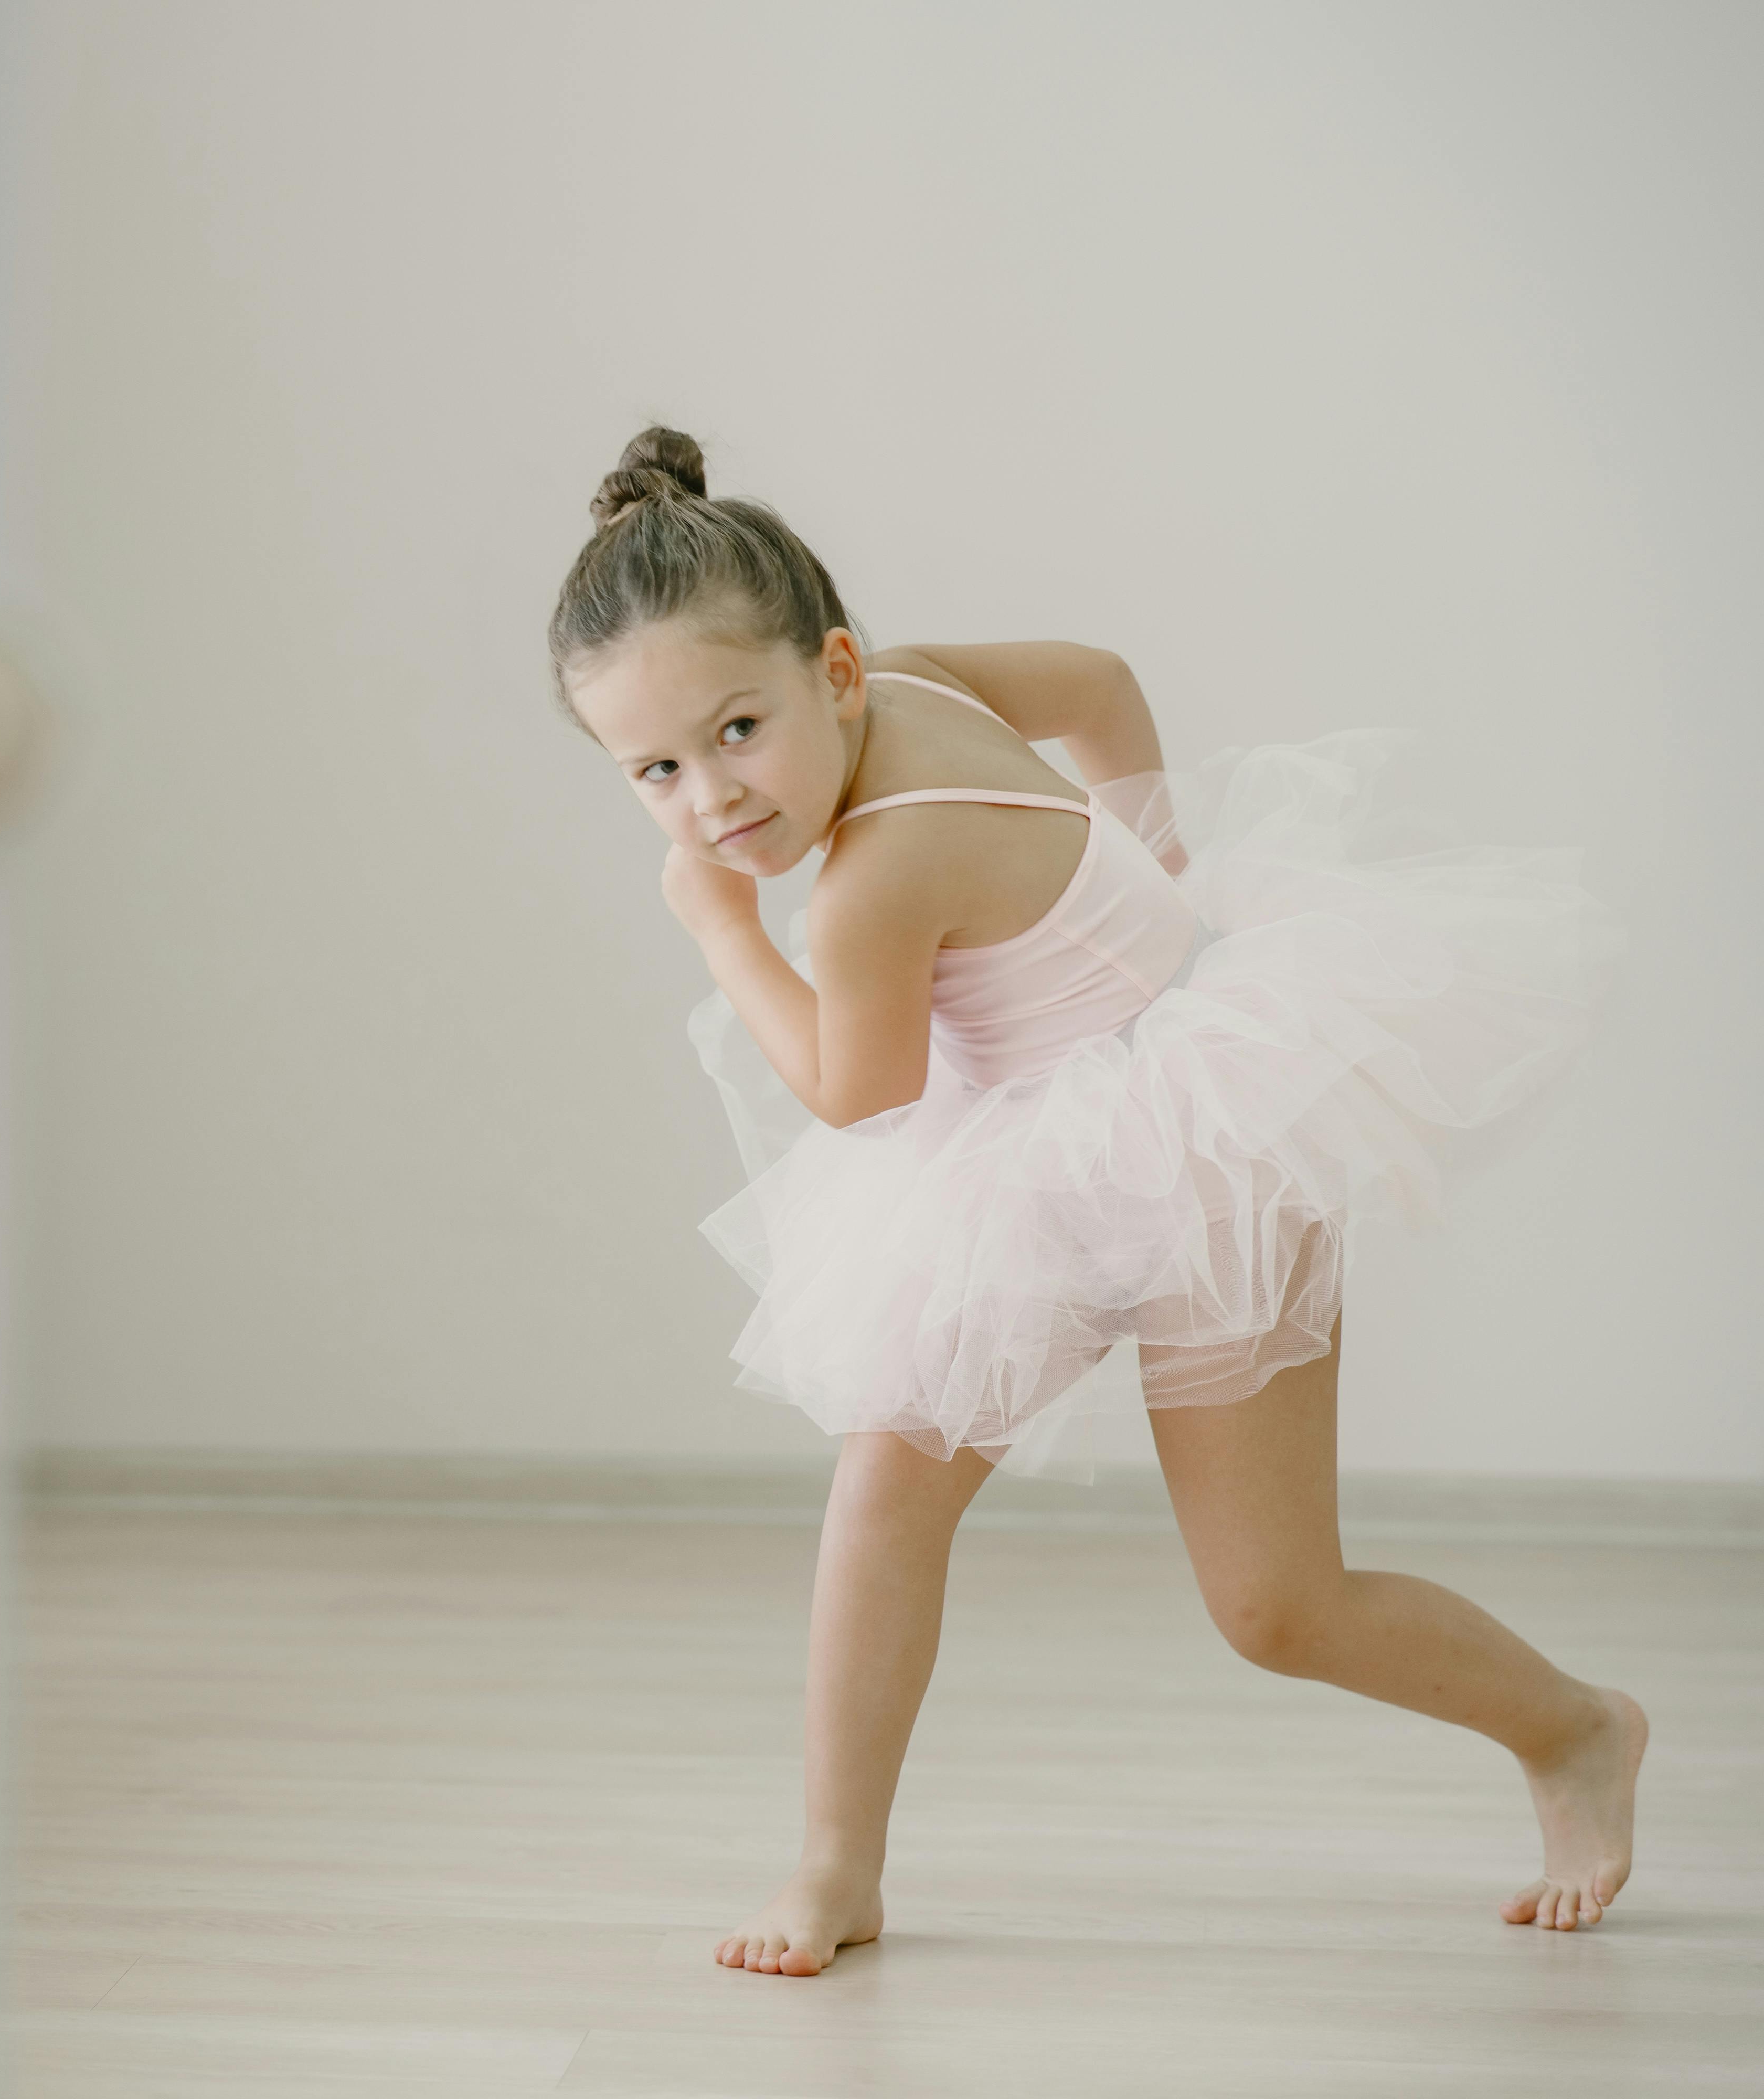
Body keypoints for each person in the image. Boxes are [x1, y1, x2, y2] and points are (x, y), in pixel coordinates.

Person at [549, 424, 1645, 1978]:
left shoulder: (871, 879)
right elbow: (1100, 683)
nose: (715, 800)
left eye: (737, 730)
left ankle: (1582, 1728)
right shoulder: (914, 680)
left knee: (1278, 1606)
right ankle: (837, 1866)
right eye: (657, 773)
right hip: (1039, 1157)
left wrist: (721, 931)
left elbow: (859, 1093)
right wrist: (1144, 860)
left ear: (835, 673)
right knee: (885, 1498)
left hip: (1199, 1150)